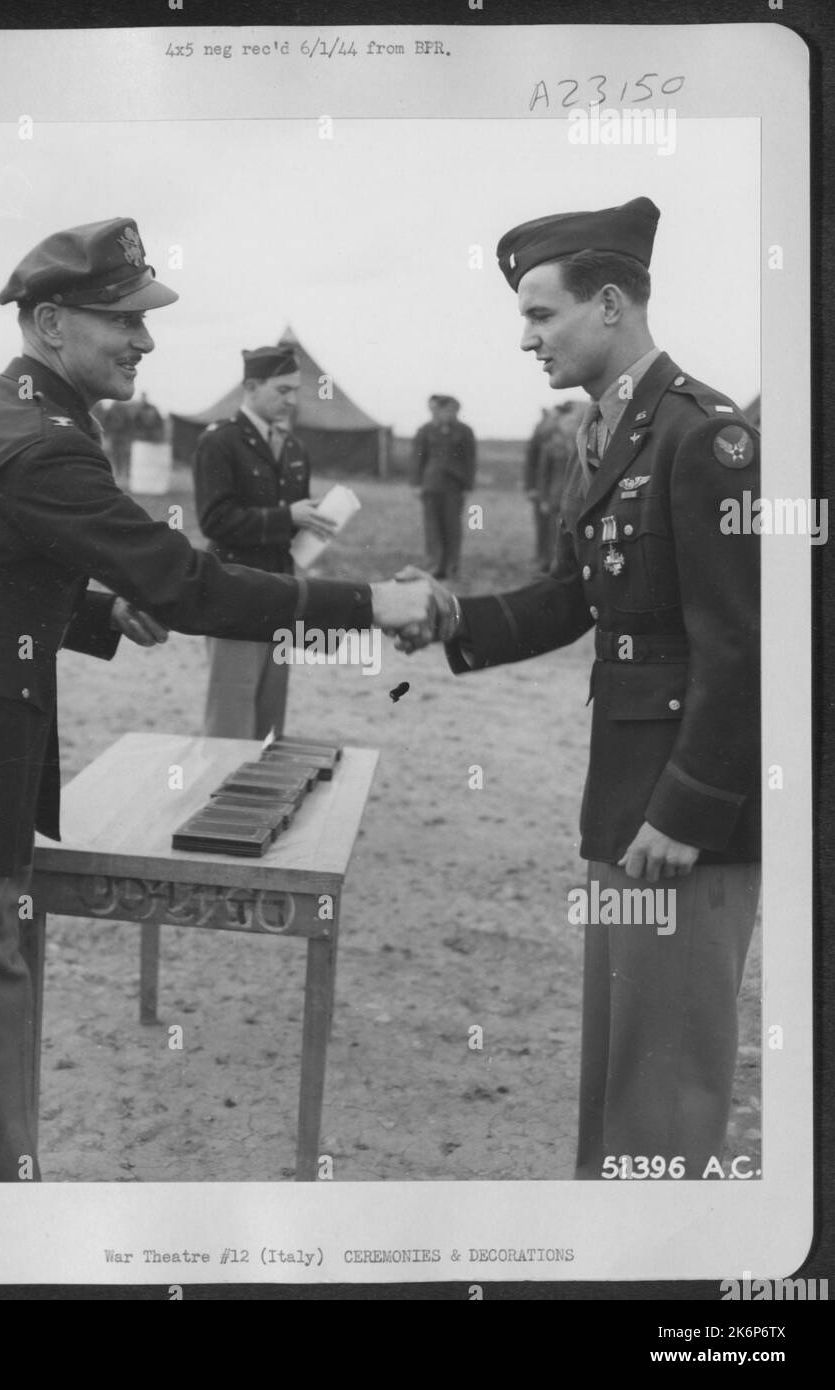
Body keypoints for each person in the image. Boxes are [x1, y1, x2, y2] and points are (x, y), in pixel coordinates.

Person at [0, 217, 433, 1183]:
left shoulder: (15, 417)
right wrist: (373, 603)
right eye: (123, 320)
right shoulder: (42, 443)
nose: (145, 341)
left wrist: (94, 609)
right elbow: (193, 584)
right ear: (52, 322)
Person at [395, 196, 761, 1180]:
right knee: (619, 1072)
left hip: (686, 821)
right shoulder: (607, 435)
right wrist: (448, 618)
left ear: (609, 304)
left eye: (540, 314)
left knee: (667, 1087)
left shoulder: (704, 438)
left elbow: (742, 643)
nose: (526, 339)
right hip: (626, 798)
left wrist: (685, 812)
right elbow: (572, 597)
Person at [193, 344, 336, 739]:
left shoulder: (294, 448)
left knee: (270, 712)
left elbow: (288, 525)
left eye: (296, 390)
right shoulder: (220, 442)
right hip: (233, 591)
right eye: (282, 390)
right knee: (232, 711)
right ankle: (225, 796)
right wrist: (286, 516)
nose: (292, 400)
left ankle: (261, 794)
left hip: (281, 591)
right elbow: (215, 520)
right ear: (252, 386)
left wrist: (314, 523)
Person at [410, 394, 477, 580]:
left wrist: (468, 485)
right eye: (444, 410)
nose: (448, 414)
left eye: (452, 410)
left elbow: (470, 459)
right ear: (438, 411)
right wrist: (416, 483)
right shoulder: (425, 430)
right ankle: (434, 566)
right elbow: (417, 458)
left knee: (452, 527)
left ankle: (452, 567)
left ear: (457, 411)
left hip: (454, 486)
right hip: (431, 485)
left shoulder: (465, 431)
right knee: (432, 527)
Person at [523, 401, 585, 573]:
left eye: (573, 423)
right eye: (566, 423)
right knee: (552, 533)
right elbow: (543, 475)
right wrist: (543, 498)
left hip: (576, 497)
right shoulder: (551, 447)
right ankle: (550, 564)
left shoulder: (583, 444)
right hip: (555, 497)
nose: (569, 427)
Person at [98, 397, 135, 488]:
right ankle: (119, 473)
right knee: (116, 455)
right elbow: (105, 421)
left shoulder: (123, 410)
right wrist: (106, 433)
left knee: (124, 455)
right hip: (115, 435)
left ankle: (125, 474)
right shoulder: (112, 410)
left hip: (122, 435)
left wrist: (129, 434)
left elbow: (129, 422)